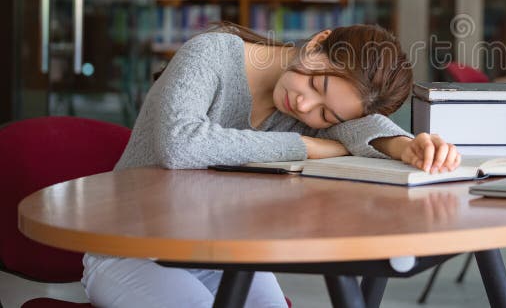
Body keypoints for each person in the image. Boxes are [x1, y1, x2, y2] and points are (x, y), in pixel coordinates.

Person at [82, 22, 461, 308]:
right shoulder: (212, 53)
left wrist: (408, 146)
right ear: (316, 42)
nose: (305, 106)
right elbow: (179, 144)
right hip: (127, 250)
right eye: (318, 85)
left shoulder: (315, 111)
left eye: (327, 114)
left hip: (222, 255)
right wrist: (302, 146)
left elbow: (364, 128)